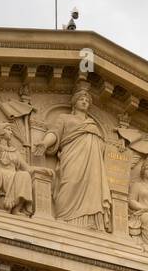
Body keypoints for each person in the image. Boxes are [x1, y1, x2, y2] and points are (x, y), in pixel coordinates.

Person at [37, 83, 111, 230]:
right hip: (72, 156)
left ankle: (90, 222)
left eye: (87, 101)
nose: (84, 102)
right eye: (81, 99)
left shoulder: (93, 124)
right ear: (74, 103)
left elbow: (103, 149)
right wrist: (44, 144)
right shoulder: (64, 118)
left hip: (93, 164)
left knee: (93, 188)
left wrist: (120, 147)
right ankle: (64, 217)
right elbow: (55, 133)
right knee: (69, 182)